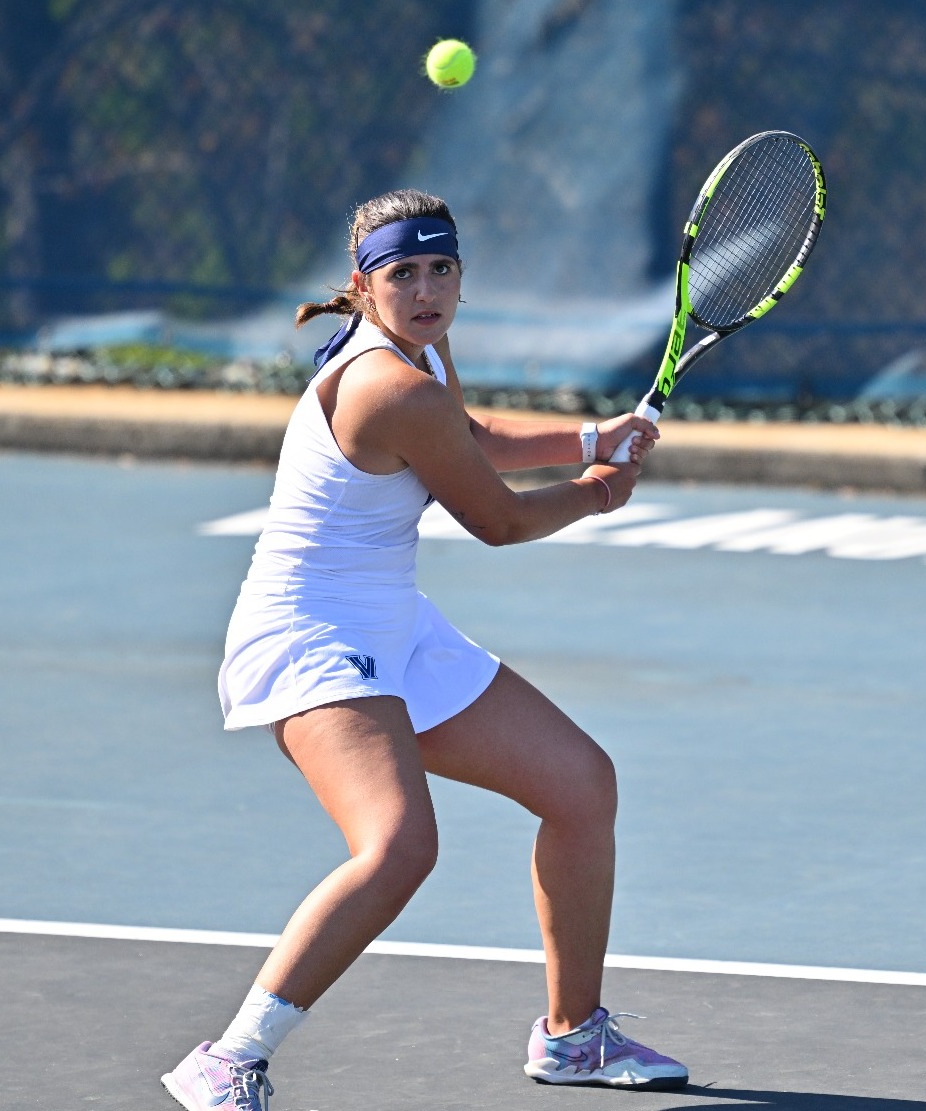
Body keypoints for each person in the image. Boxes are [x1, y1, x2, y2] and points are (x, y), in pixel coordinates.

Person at [161, 188, 688, 1111]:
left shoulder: (422, 354)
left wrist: (592, 437)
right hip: (309, 633)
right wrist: (599, 490)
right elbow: (496, 516)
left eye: (442, 268)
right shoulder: (385, 384)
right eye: (403, 273)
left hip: (392, 625)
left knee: (580, 784)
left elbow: (470, 435)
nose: (426, 288)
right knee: (399, 844)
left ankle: (572, 1038)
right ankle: (230, 1058)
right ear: (364, 288)